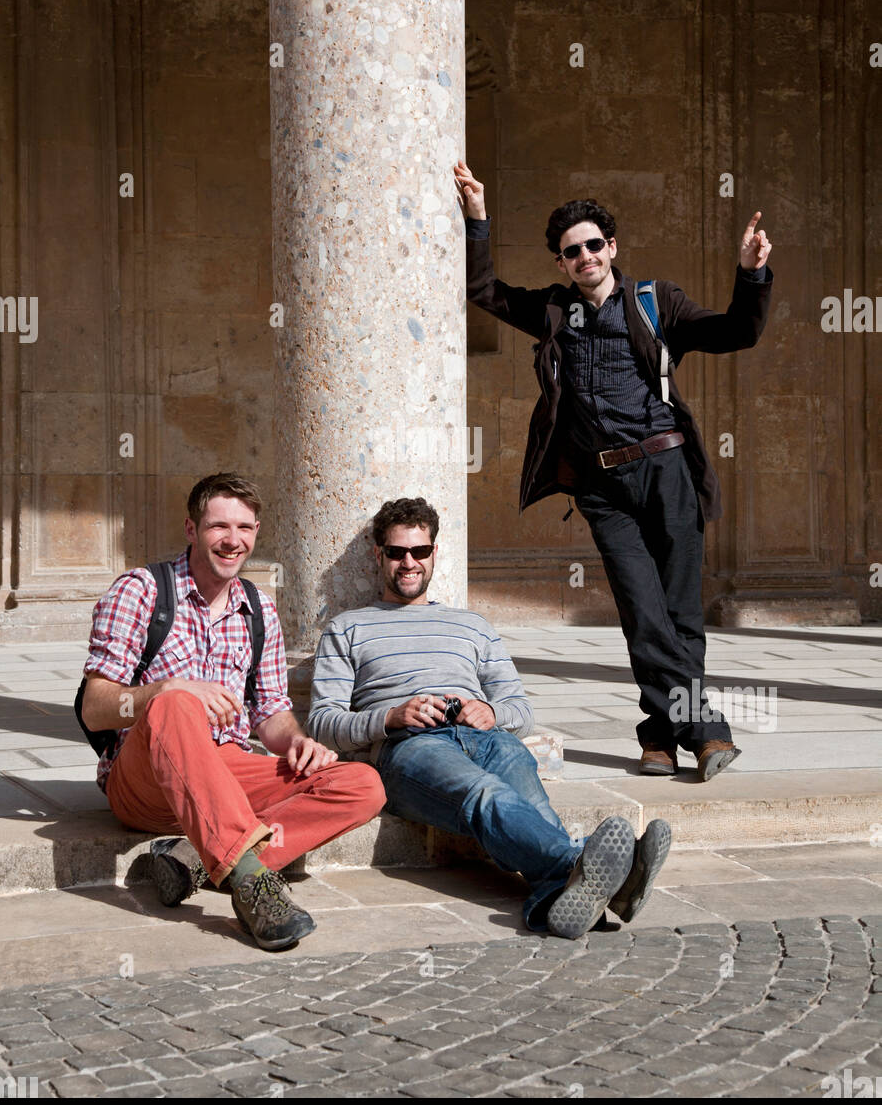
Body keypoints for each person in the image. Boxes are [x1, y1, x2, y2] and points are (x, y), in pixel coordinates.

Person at [454, 159, 774, 782]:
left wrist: (753, 275)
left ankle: (659, 736)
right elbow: (483, 290)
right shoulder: (551, 311)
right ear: (561, 264)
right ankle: (705, 731)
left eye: (594, 245)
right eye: (572, 252)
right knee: (642, 611)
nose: (585, 258)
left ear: (612, 247)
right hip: (602, 487)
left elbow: (738, 332)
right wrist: (478, 221)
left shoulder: (658, 303)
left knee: (680, 615)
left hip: (667, 471)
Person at [306, 497, 671, 939]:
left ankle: (561, 895)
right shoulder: (348, 628)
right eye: (397, 552)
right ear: (378, 555)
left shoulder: (472, 625)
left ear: (434, 554)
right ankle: (597, 873)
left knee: (531, 805)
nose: (408, 563)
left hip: (489, 739)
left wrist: (491, 711)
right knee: (486, 794)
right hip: (411, 747)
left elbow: (521, 711)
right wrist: (391, 716)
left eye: (419, 552)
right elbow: (323, 722)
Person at [80, 472, 385, 951]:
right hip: (146, 781)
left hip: (226, 769)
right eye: (219, 527)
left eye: (244, 528)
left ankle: (193, 859)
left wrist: (298, 742)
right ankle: (252, 885)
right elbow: (96, 709)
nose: (232, 540)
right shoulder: (140, 591)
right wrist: (170, 687)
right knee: (175, 705)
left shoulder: (259, 608)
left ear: (256, 533)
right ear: (191, 530)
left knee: (362, 785)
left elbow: (271, 714)